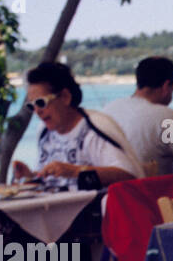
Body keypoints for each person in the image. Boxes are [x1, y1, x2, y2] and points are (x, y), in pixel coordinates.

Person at [11, 61, 143, 187]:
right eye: (31, 105)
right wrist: (30, 176)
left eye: (41, 102)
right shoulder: (44, 132)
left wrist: (75, 171)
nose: (37, 111)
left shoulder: (94, 128)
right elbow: (53, 181)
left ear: (65, 97)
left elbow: (128, 174)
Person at [102, 56, 173, 183]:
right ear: (166, 86)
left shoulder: (109, 109)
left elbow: (165, 142)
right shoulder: (165, 118)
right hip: (154, 196)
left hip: (112, 196)